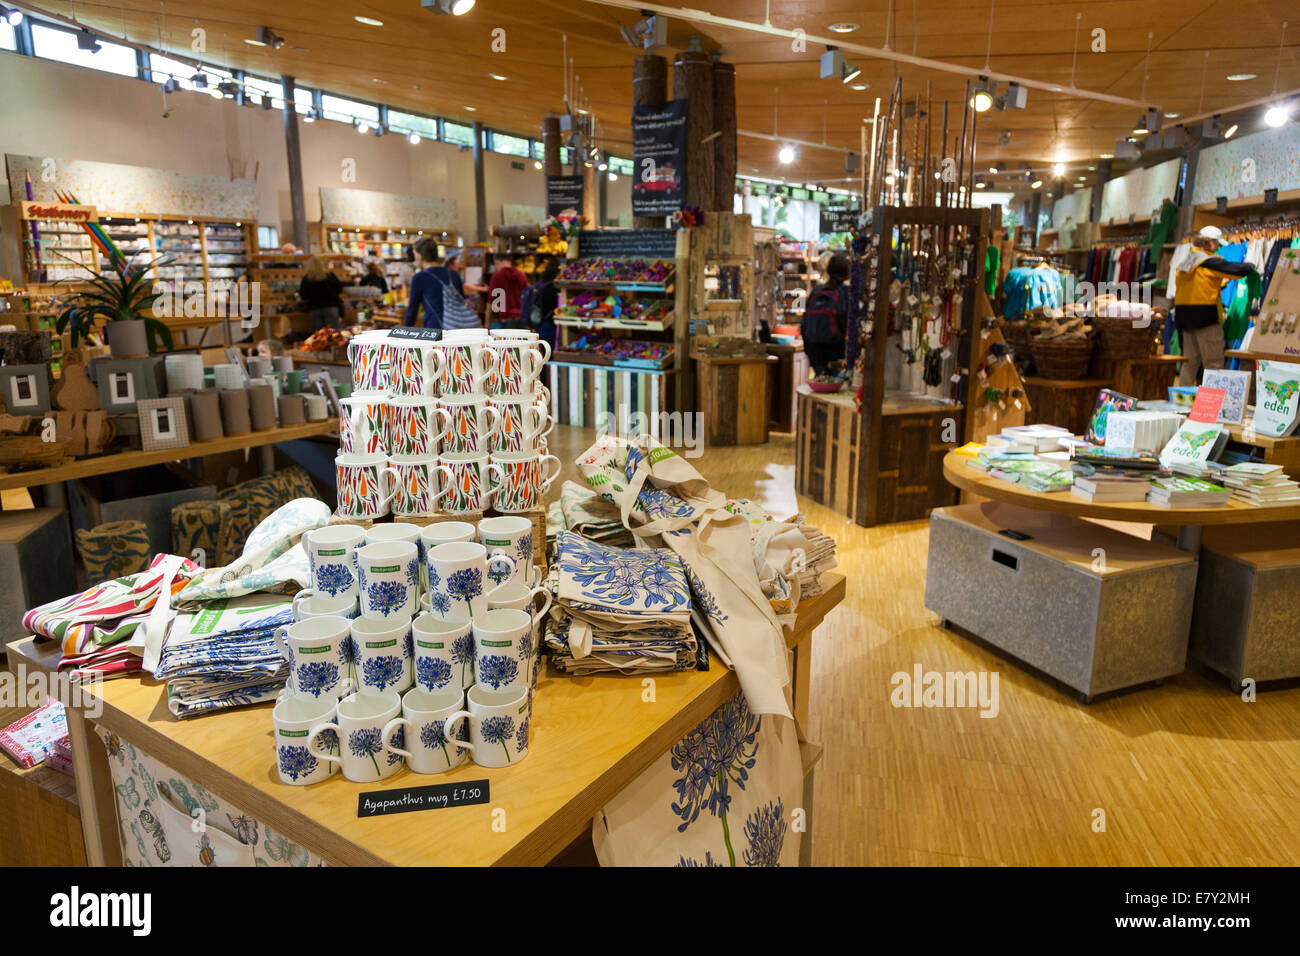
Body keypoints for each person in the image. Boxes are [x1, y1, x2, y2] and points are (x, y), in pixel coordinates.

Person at [1173, 225, 1259, 386]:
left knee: (1189, 363)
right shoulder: (1209, 262)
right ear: (1210, 243)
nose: (1218, 247)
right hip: (1206, 318)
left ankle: (1180, 402)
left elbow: (1193, 286)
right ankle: (1212, 404)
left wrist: (1220, 286)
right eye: (1217, 244)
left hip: (1185, 318)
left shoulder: (1186, 261)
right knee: (1213, 364)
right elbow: (1236, 270)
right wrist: (1251, 265)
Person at [405, 237, 481, 330]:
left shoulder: (419, 278)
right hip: (457, 328)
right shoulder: (453, 274)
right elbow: (461, 300)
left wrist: (405, 333)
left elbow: (412, 310)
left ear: (420, 255)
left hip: (435, 328)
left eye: (414, 254)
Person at [802, 252, 851, 377]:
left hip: (815, 351)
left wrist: (808, 349)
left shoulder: (817, 290)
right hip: (835, 351)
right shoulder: (845, 292)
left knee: (821, 382)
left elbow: (804, 321)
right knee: (836, 386)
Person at [298, 256, 344, 330]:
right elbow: (339, 289)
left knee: (319, 335)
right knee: (333, 333)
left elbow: (303, 295)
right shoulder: (330, 276)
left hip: (315, 308)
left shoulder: (307, 278)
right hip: (331, 307)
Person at [486, 253, 530, 328]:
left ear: (497, 263)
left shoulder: (496, 276)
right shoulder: (522, 275)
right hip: (522, 318)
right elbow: (528, 297)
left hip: (506, 318)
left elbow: (491, 301)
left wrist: (487, 322)